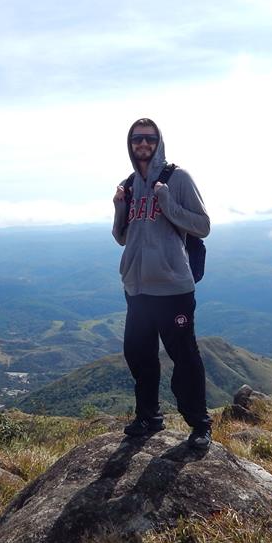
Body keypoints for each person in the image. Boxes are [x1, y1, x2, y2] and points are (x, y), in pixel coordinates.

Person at [112, 117, 212, 449]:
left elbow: (203, 225)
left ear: (159, 142)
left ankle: (199, 425)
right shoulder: (128, 183)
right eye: (136, 139)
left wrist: (167, 203)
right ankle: (148, 416)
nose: (142, 144)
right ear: (130, 145)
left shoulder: (177, 178)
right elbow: (122, 237)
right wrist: (119, 207)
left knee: (183, 356)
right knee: (138, 354)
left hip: (173, 289)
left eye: (149, 139)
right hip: (137, 289)